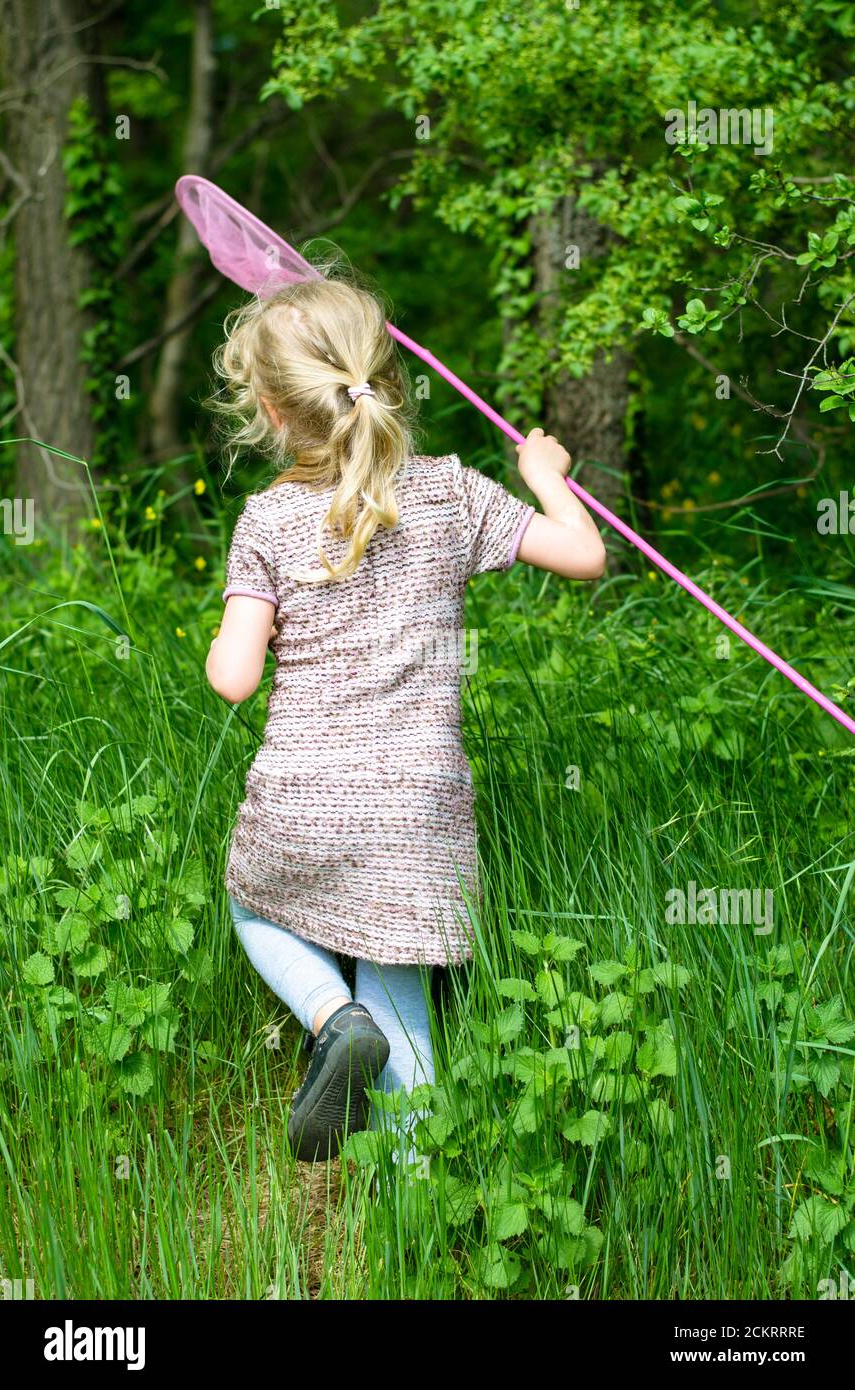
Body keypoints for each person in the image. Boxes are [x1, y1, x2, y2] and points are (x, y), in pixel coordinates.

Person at [205, 276, 605, 1163]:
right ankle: (416, 1204)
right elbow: (584, 554)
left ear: (271, 411)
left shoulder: (266, 520)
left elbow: (232, 679)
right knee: (404, 997)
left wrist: (246, 629)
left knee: (252, 905)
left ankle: (329, 1017)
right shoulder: (449, 494)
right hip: (416, 812)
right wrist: (542, 476)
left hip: (303, 803)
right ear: (386, 379)